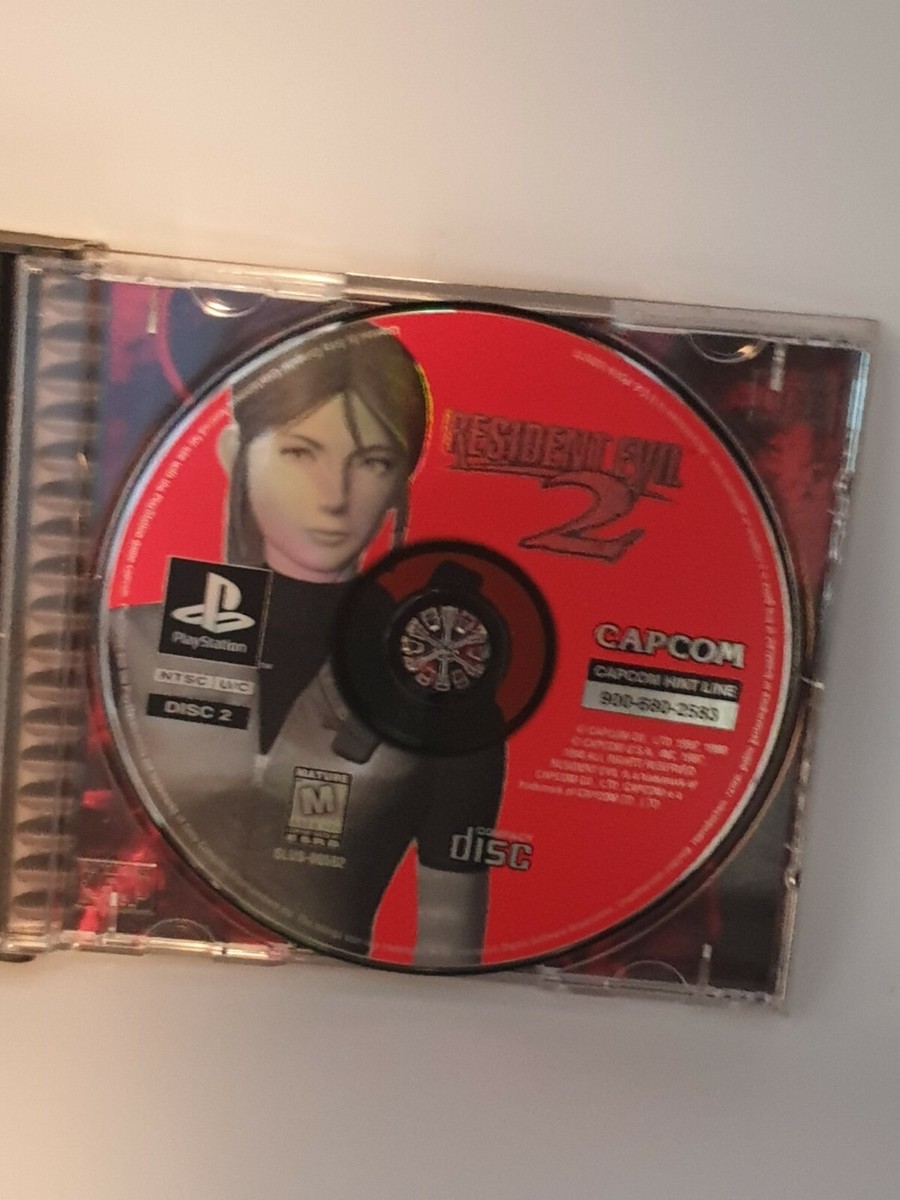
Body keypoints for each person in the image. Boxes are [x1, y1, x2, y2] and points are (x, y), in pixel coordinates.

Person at [109, 321, 504, 968]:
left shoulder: (443, 693)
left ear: (401, 480)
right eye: (300, 452)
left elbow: (449, 957)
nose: (334, 496)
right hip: (111, 987)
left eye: (373, 461)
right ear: (235, 453)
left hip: (326, 1015)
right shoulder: (121, 643)